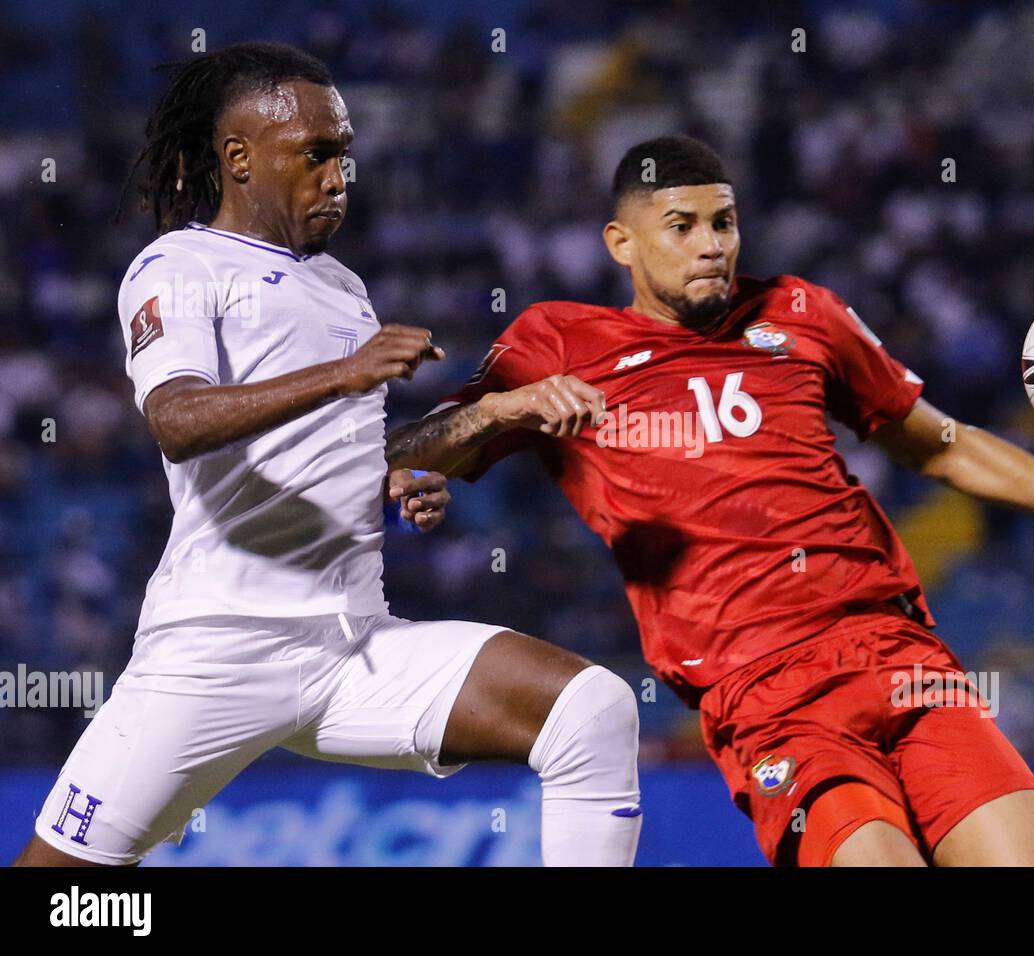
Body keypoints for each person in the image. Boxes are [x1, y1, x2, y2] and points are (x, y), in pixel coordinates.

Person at [387, 135, 1034, 866]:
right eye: (682, 226)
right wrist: (500, 410)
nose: (712, 246)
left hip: (900, 656)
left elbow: (943, 446)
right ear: (621, 242)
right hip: (766, 696)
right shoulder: (557, 342)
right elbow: (400, 458)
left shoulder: (799, 312)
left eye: (724, 222)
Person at [14, 42, 641, 868]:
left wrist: (445, 445)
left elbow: (352, 450)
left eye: (343, 153)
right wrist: (344, 373)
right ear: (239, 157)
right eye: (314, 153)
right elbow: (177, 419)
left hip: (352, 647)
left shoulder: (343, 288)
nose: (338, 175)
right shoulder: (179, 265)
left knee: (590, 710)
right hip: (218, 648)